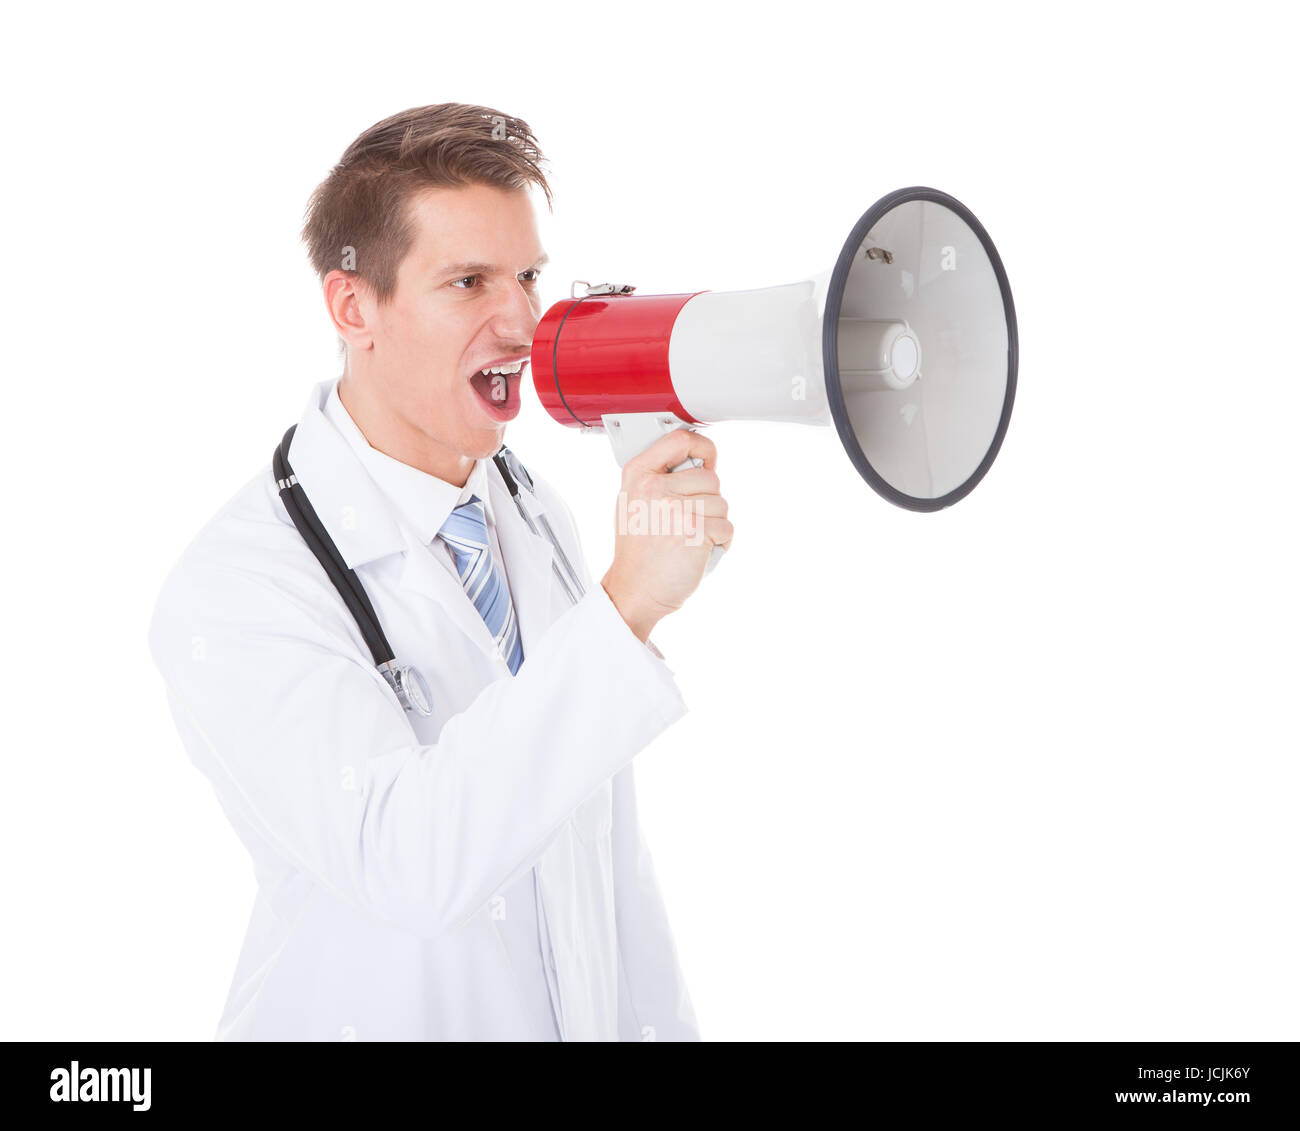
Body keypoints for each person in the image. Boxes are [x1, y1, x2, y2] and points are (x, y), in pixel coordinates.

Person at [147, 103, 732, 1041]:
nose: (525, 323)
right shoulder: (238, 585)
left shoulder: (533, 508)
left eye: (529, 276)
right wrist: (624, 609)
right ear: (353, 307)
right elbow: (407, 860)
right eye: (469, 282)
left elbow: (608, 865)